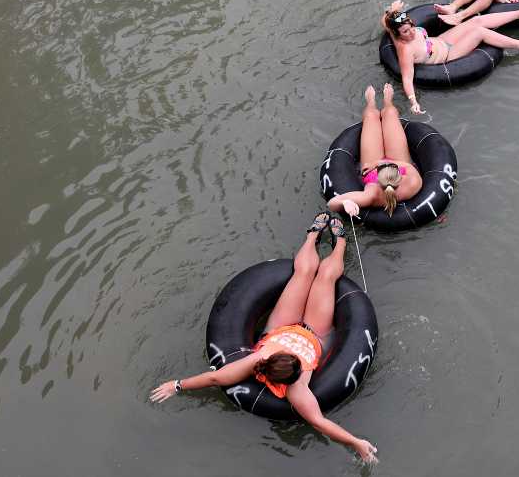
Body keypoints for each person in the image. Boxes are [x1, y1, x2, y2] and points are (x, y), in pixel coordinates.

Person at [149, 213, 379, 464]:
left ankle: (320, 237)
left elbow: (215, 377)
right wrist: (356, 442)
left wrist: (177, 384)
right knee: (321, 276)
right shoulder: (291, 384)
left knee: (308, 273)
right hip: (314, 333)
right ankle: (332, 241)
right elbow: (320, 422)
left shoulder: (264, 360)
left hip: (280, 329)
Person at [382, 0, 519, 114]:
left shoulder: (401, 28)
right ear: (398, 34)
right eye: (405, 32)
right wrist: (413, 102)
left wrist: (392, 10)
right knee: (479, 32)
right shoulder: (405, 49)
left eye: (411, 28)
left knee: (476, 20)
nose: (410, 33)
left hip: (443, 40)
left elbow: (386, 23)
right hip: (448, 55)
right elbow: (407, 78)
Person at [327, 84, 425, 212]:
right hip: (395, 162)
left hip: (370, 167)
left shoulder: (371, 194)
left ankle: (370, 102)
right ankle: (388, 100)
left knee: (371, 116)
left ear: (377, 181)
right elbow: (408, 167)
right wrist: (379, 163)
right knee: (389, 113)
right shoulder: (413, 182)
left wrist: (345, 203)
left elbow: (331, 203)